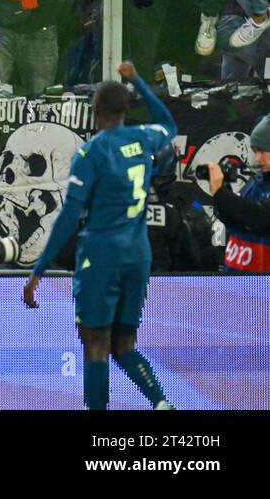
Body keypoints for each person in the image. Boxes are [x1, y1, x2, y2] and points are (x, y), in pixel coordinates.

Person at [23, 61, 177, 410]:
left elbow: (68, 217)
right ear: (125, 109)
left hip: (101, 258)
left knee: (95, 345)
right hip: (138, 257)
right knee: (124, 345)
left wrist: (38, 270)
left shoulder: (91, 153)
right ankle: (162, 403)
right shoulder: (144, 139)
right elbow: (169, 124)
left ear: (95, 112)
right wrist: (138, 79)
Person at [204, 113, 270, 273]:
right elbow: (235, 220)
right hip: (238, 281)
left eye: (263, 151)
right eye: (255, 151)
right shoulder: (257, 181)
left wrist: (220, 193)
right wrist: (224, 187)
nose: (257, 159)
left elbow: (261, 220)